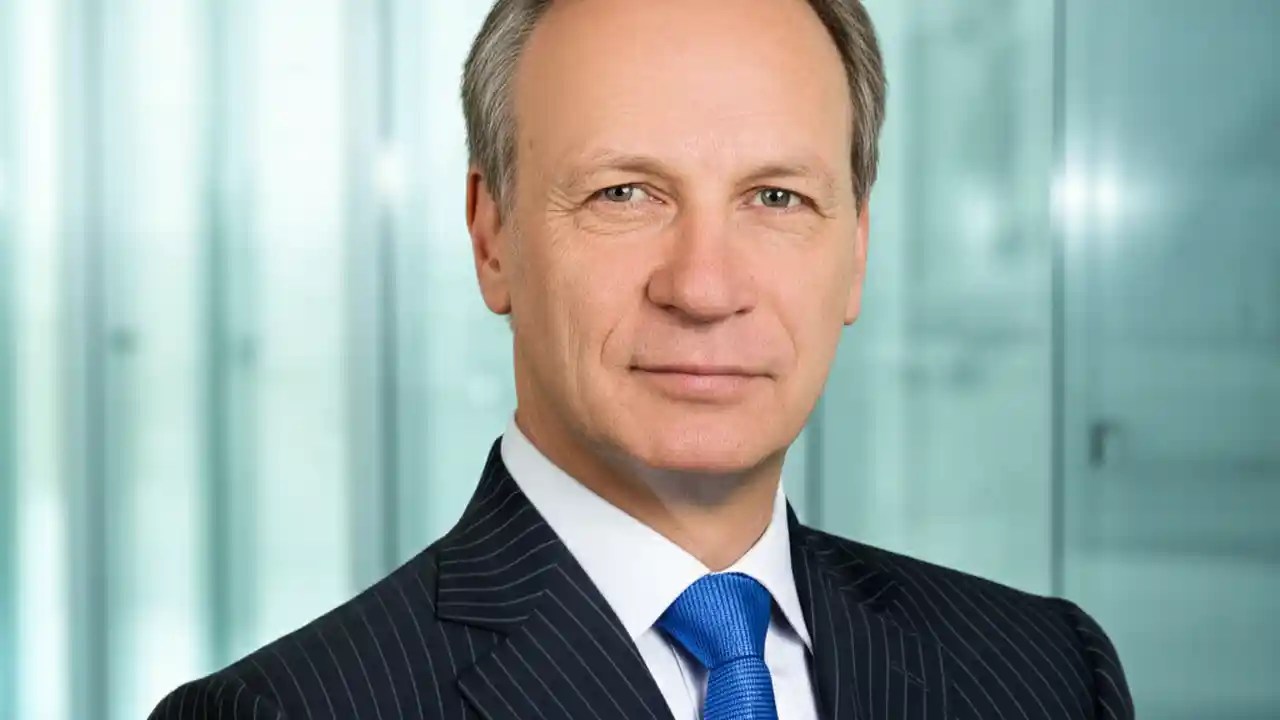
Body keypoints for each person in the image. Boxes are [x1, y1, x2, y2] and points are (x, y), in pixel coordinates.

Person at [151, 0, 1133, 717]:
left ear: (855, 255)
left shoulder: (1045, 672)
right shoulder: (292, 710)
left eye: (776, 199)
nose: (703, 287)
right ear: (490, 237)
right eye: (624, 194)